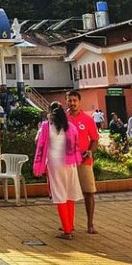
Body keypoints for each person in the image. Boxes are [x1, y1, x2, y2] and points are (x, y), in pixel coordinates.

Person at [33, 102, 83, 239]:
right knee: (70, 195)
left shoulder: (46, 126)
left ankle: (67, 231)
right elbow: (76, 145)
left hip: (55, 164)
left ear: (50, 112)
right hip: (70, 164)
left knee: (60, 195)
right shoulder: (70, 127)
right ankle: (70, 226)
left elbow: (37, 141)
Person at [66, 90, 99, 234]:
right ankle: (68, 224)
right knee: (67, 194)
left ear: (79, 102)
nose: (72, 103)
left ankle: (90, 224)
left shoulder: (88, 119)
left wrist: (90, 152)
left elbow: (95, 140)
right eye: (70, 100)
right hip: (67, 162)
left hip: (84, 161)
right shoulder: (62, 119)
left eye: (75, 100)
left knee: (89, 192)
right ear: (66, 101)